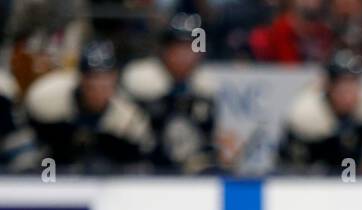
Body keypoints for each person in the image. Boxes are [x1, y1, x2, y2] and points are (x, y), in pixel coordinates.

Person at [25, 39, 154, 173]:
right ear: (80, 78)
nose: (98, 85)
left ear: (115, 78)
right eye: (93, 77)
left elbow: (139, 172)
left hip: (110, 185)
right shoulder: (48, 100)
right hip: (52, 180)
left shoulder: (130, 120)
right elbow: (28, 156)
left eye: (105, 78)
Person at [121, 14, 220, 174]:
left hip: (190, 169)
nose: (185, 55)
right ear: (164, 49)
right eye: (178, 47)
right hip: (142, 165)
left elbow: (208, 137)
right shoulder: (141, 76)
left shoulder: (206, 83)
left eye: (191, 47)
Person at [278, 50, 362, 174]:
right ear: (329, 86)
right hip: (309, 178)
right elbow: (294, 166)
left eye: (354, 83)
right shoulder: (306, 113)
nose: (350, 93)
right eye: (343, 84)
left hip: (359, 182)